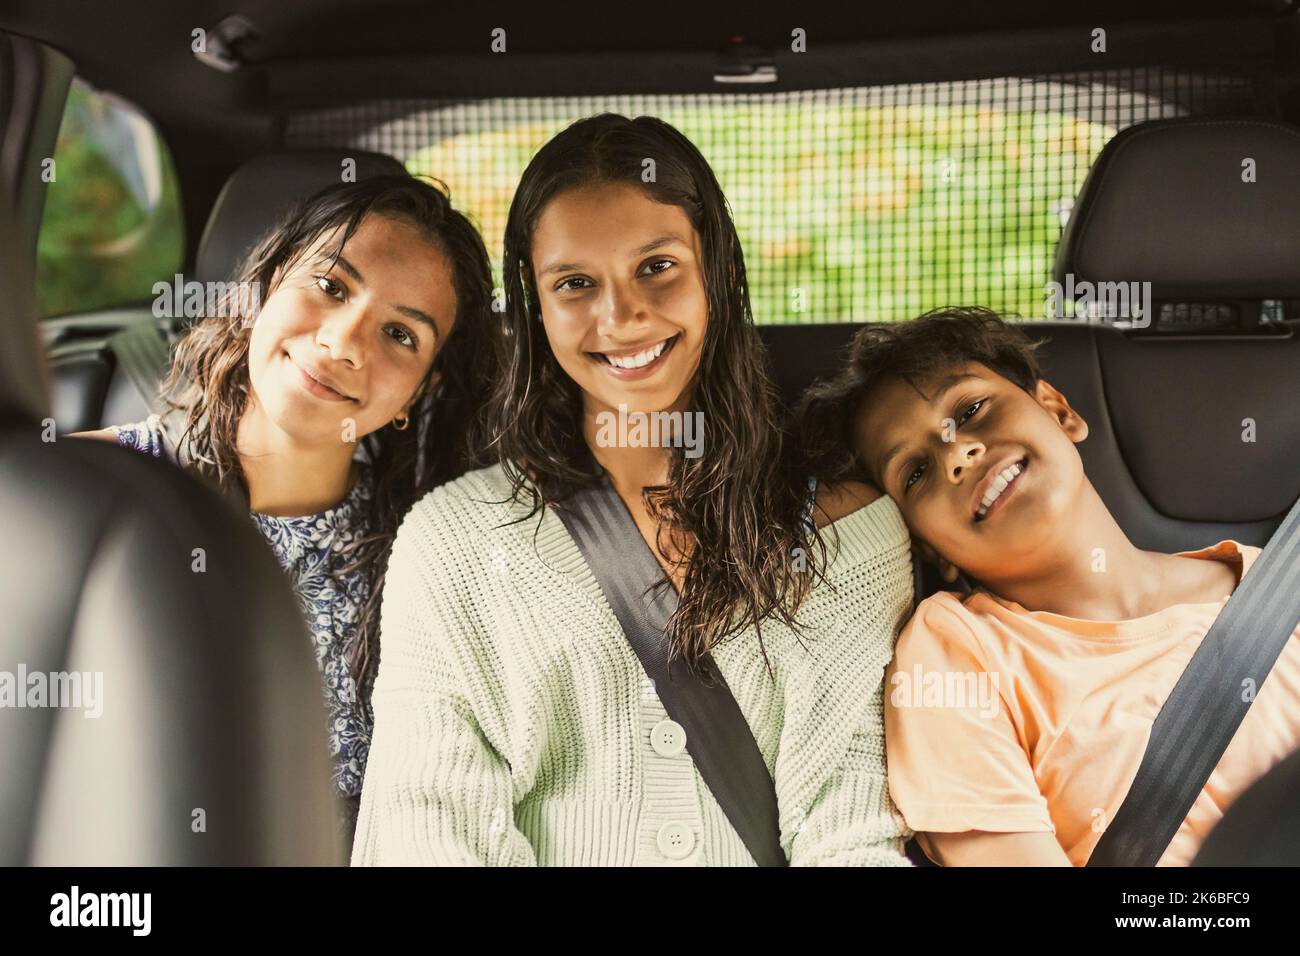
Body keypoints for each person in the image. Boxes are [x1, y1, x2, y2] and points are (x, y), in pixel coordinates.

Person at [353, 114, 915, 866]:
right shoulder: (453, 541)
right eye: (576, 284)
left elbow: (852, 831)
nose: (621, 317)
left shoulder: (850, 531)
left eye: (657, 267)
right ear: (537, 309)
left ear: (713, 269)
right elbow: (429, 833)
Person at [75, 175, 496, 845]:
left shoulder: (429, 566)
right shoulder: (89, 490)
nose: (344, 341)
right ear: (264, 286)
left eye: (400, 334)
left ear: (422, 389)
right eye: (331, 287)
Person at [798, 306, 1300, 866]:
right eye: (916, 472)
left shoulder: (1281, 587)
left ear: (1057, 410)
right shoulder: (958, 654)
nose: (958, 453)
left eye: (970, 409)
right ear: (930, 549)